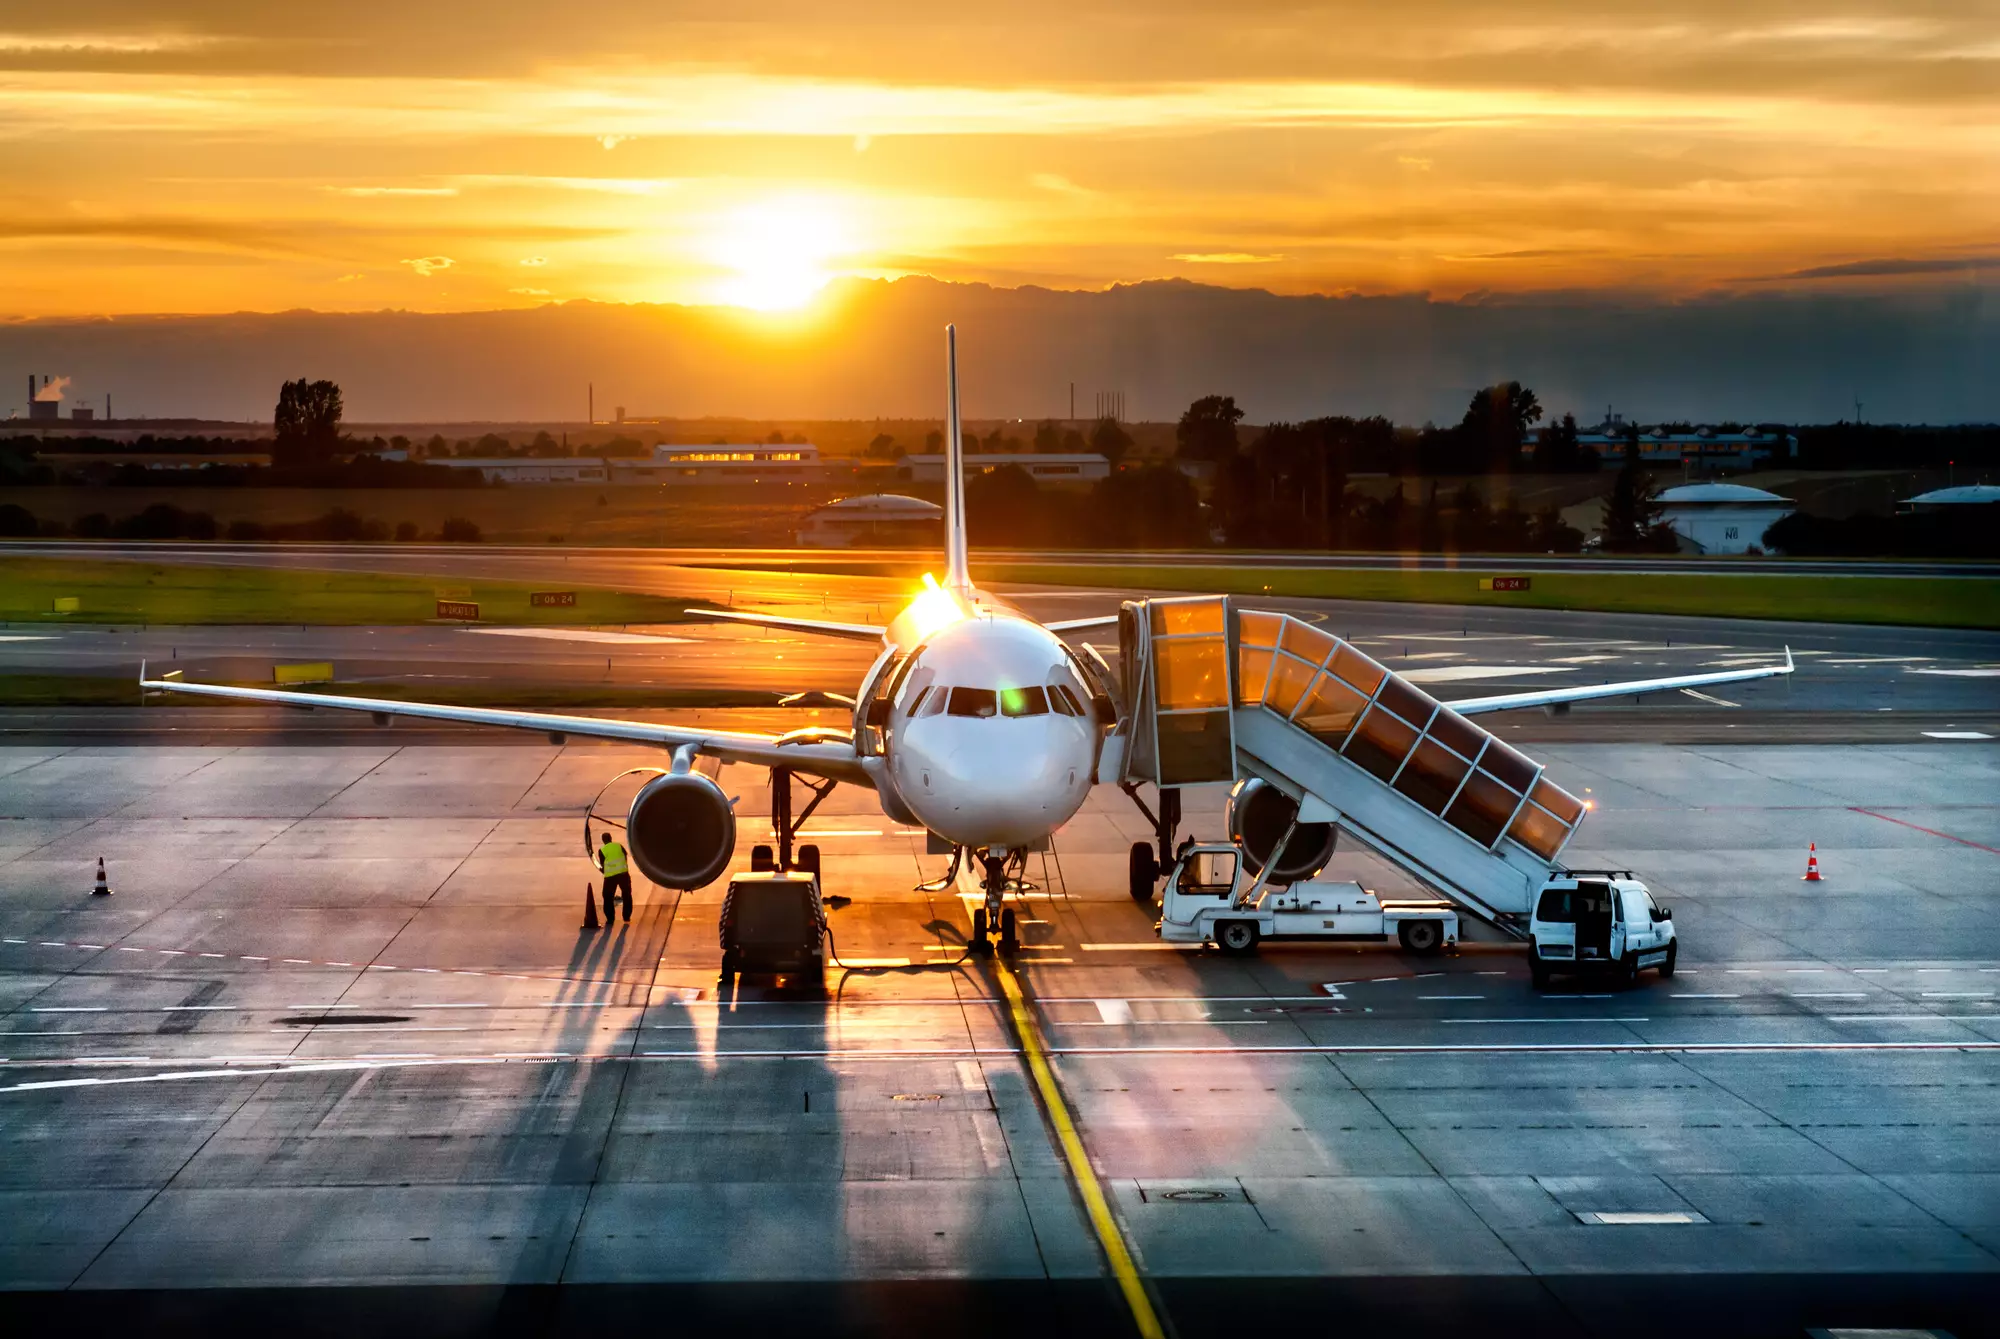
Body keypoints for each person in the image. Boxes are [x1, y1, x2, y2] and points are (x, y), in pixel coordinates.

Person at [595, 830, 633, 923]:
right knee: (627, 894)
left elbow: (603, 865)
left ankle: (610, 918)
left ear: (603, 841)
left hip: (611, 877)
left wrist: (604, 871)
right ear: (611, 839)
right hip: (624, 874)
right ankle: (626, 917)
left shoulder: (602, 850)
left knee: (607, 896)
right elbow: (625, 856)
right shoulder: (619, 846)